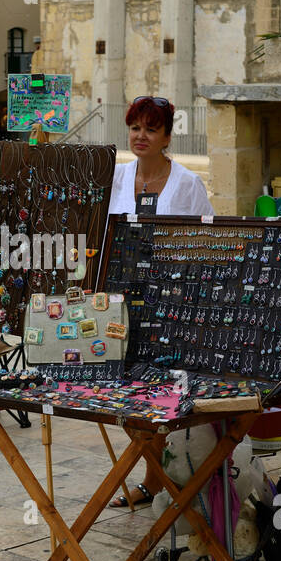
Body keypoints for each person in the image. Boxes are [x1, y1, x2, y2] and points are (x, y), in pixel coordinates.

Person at [107, 96, 213, 508]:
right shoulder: (116, 178)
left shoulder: (186, 183)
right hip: (121, 303)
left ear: (167, 136)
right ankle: (157, 480)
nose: (141, 136)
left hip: (169, 305)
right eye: (135, 127)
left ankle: (159, 482)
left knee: (160, 397)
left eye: (151, 129)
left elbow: (204, 243)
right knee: (124, 397)